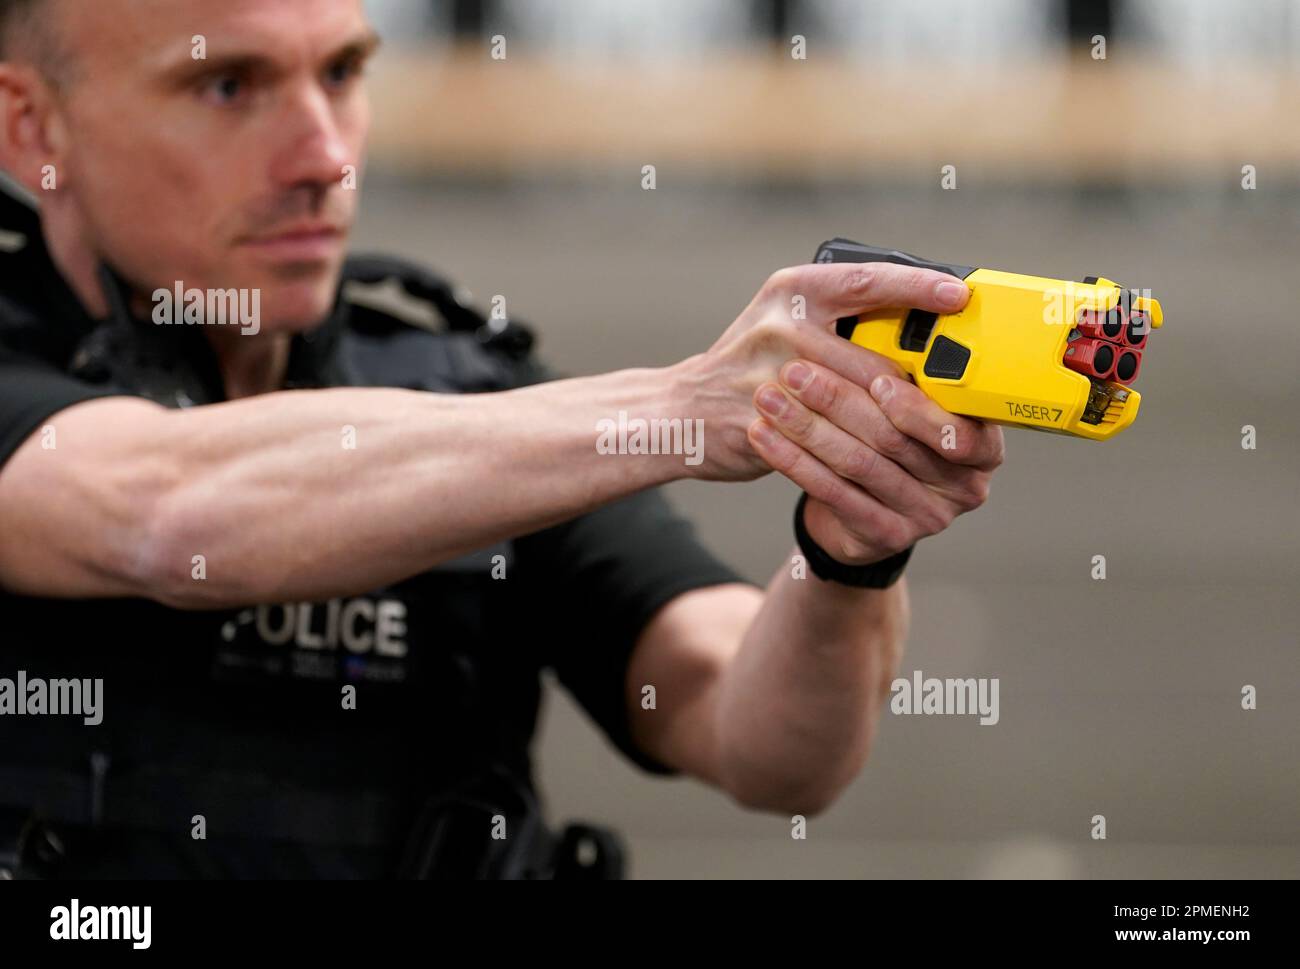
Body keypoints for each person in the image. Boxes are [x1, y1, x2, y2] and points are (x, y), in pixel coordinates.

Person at [0, 0, 1004, 878]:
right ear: (31, 125)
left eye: (344, 72)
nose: (323, 156)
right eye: (226, 85)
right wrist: (683, 408)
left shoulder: (471, 399)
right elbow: (168, 515)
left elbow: (765, 745)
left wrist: (845, 550)